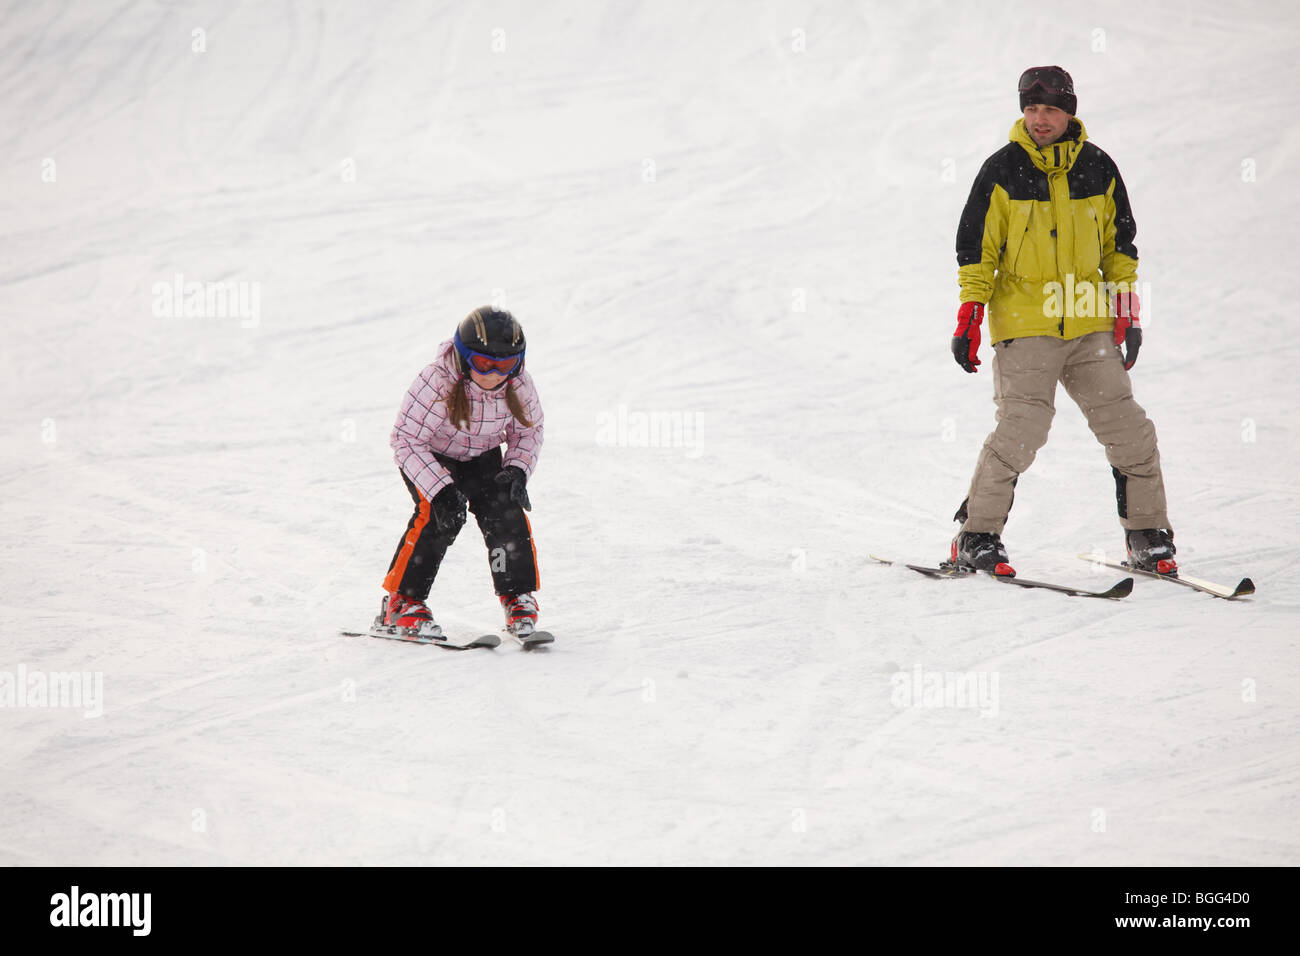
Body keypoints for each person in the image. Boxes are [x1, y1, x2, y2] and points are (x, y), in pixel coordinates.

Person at [948, 65, 1176, 576]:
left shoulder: (1097, 167)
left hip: (1089, 325)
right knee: (1020, 430)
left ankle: (1147, 536)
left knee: (1130, 429)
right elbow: (976, 251)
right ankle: (977, 536)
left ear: (1069, 110)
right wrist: (970, 314)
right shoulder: (1002, 170)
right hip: (1026, 325)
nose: (1039, 119)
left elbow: (1120, 249)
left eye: (1049, 108)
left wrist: (1126, 312)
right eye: (1030, 109)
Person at [378, 305, 544, 636]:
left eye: (506, 364)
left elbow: (529, 431)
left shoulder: (518, 385)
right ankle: (401, 604)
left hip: (483, 458)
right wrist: (440, 491)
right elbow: (406, 439)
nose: (495, 373)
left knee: (505, 513)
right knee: (439, 519)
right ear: (464, 355)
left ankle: (516, 596)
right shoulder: (436, 381)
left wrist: (517, 469)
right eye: (484, 363)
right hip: (431, 457)